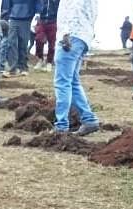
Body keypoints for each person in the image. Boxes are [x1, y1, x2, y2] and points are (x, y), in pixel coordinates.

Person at [54, 0, 99, 135]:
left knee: (62, 82)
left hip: (71, 36)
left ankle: (61, 127)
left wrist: (66, 33)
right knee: (72, 81)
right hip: (83, 36)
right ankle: (89, 119)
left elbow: (74, 8)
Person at [0, 0, 38, 76]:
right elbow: (6, 4)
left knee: (23, 43)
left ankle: (23, 67)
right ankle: (12, 69)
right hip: (13, 18)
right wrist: (4, 17)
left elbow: (38, 2)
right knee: (11, 43)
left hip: (27, 18)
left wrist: (37, 14)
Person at [34, 0, 58, 71]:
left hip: (53, 21)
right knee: (38, 39)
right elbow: (37, 5)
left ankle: (49, 62)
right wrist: (37, 14)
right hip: (42, 20)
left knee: (52, 43)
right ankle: (40, 59)